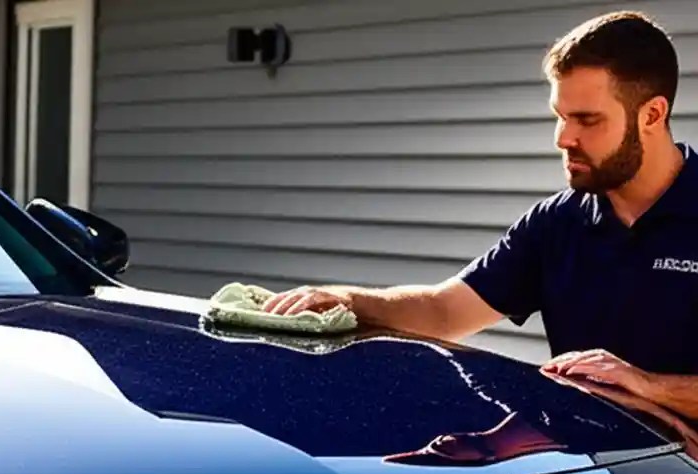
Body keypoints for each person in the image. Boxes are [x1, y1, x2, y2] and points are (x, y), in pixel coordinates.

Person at [260, 11, 698, 422]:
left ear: (652, 115)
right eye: (560, 117)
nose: (564, 138)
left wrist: (649, 386)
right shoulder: (556, 224)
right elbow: (443, 312)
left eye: (587, 119)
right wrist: (347, 300)